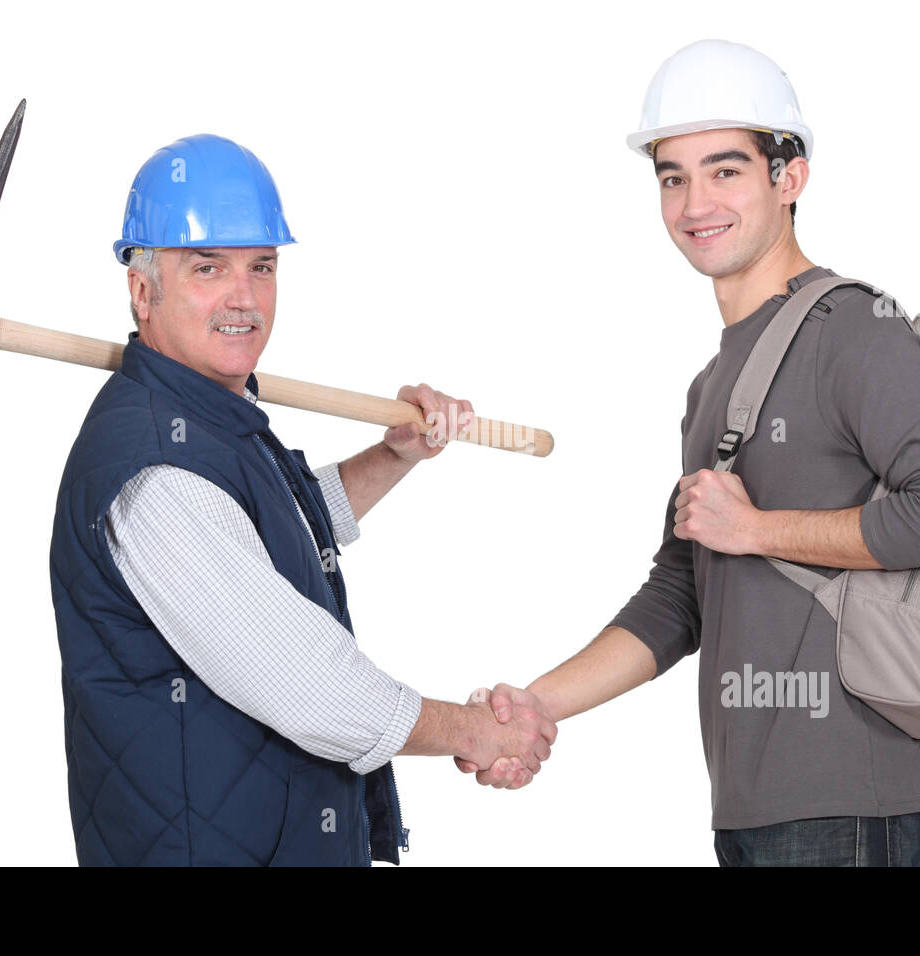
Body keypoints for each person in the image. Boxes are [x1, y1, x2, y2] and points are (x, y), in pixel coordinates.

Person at [457, 38, 920, 867]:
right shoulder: (715, 381)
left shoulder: (854, 328)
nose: (693, 202)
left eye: (725, 170)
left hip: (847, 808)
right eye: (672, 176)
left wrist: (759, 530)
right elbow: (679, 598)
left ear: (790, 178)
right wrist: (533, 706)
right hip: (751, 812)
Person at [48, 133, 554, 866]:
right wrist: (481, 733)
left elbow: (276, 529)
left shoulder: (211, 420)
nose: (243, 298)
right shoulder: (155, 472)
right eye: (207, 268)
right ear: (142, 289)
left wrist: (395, 455)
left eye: (262, 266)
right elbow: (319, 692)